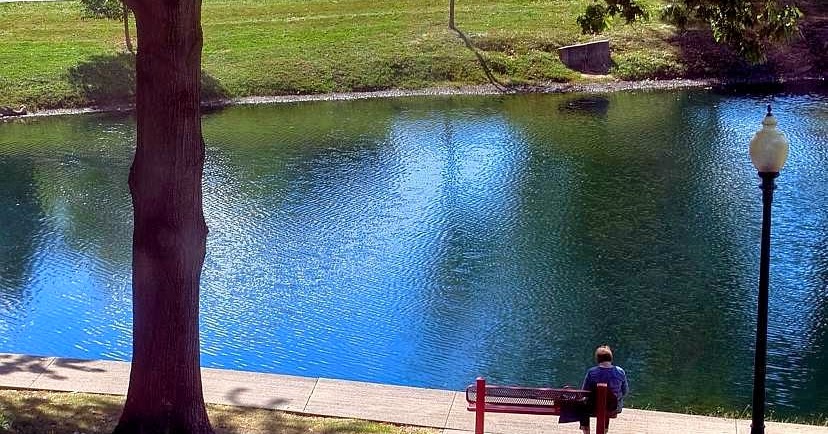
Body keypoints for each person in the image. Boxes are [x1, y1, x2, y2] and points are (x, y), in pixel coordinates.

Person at [579, 345, 628, 434]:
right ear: (611, 358)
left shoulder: (592, 372)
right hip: (613, 407)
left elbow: (584, 392)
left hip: (593, 407)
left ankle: (586, 431)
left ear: (598, 359)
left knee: (584, 405)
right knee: (608, 401)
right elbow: (625, 391)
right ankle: (604, 431)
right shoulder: (620, 371)